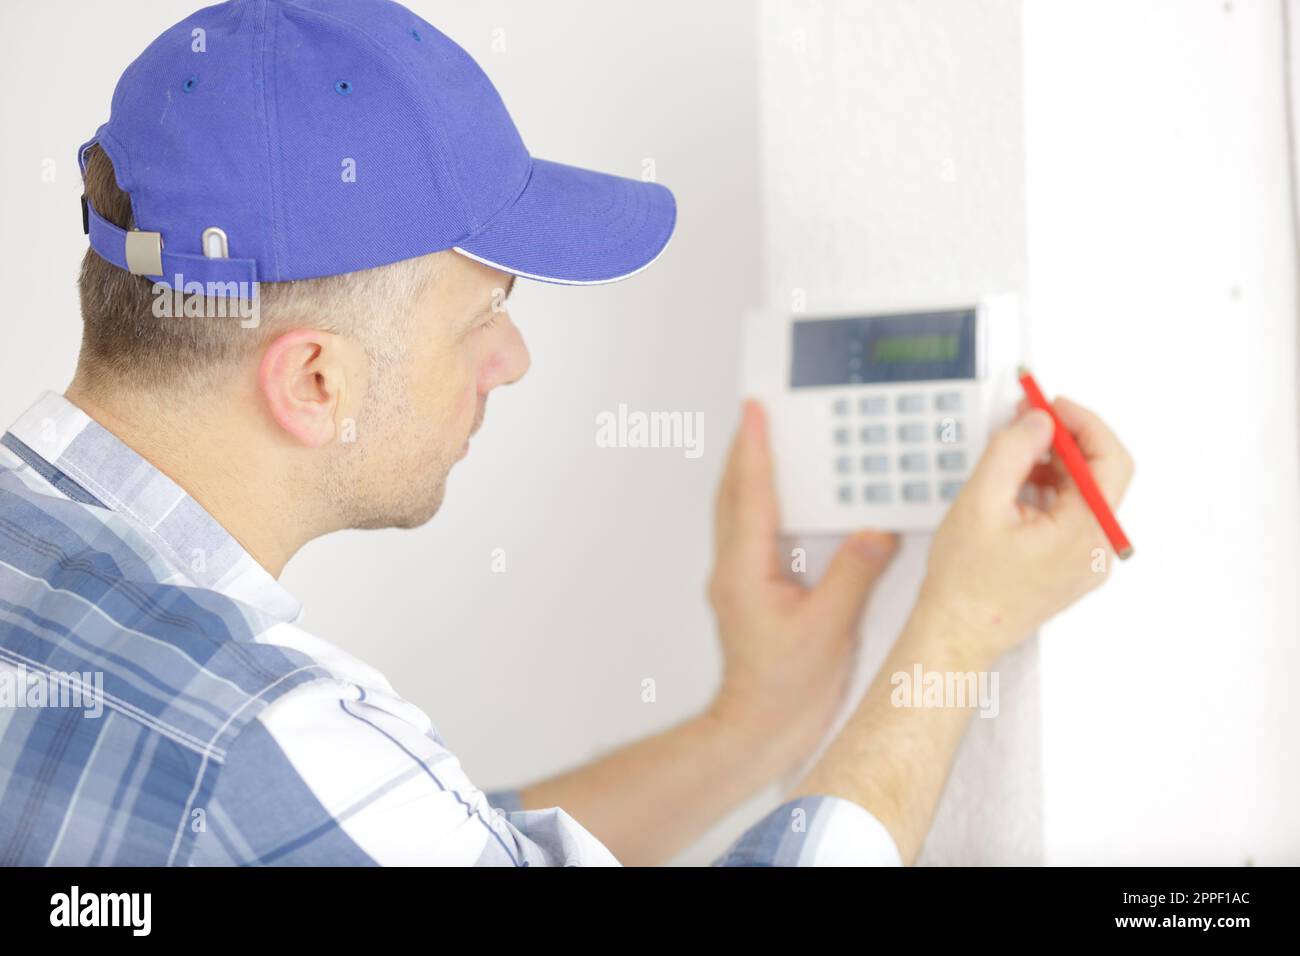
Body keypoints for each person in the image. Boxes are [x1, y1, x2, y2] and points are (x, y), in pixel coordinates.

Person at [0, 0, 1131, 866]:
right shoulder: (259, 734)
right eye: (484, 314)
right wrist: (958, 629)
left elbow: (424, 834)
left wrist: (754, 721)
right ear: (313, 378)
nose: (512, 358)